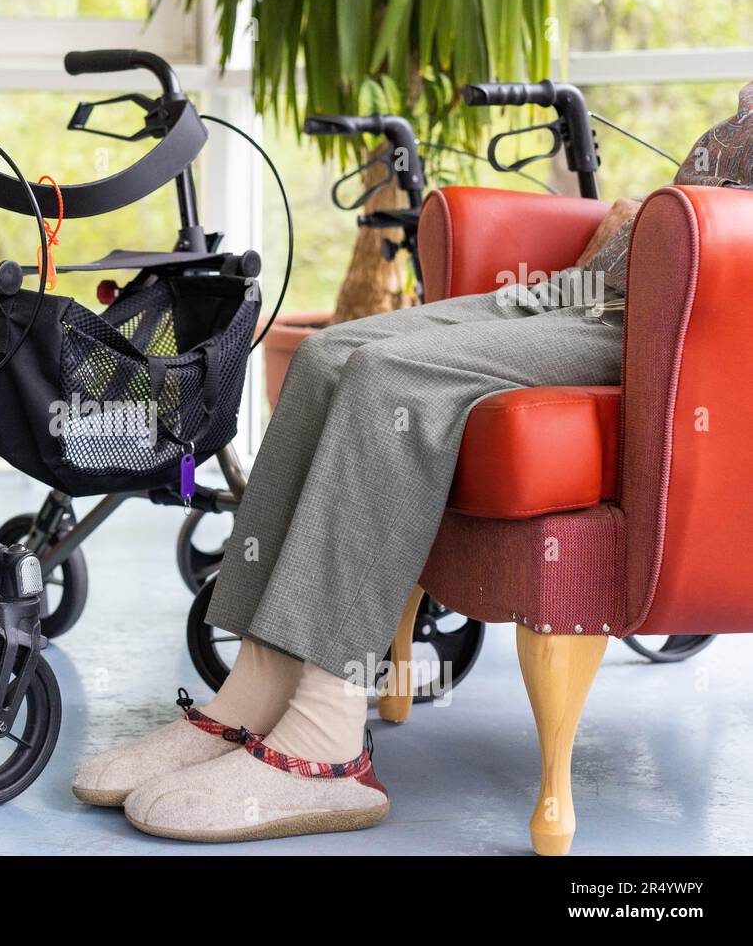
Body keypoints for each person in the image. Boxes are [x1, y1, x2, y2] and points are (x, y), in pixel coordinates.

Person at [74, 82, 753, 842]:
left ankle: (327, 740)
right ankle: (254, 689)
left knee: (386, 378)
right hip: (595, 285)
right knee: (330, 354)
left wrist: (676, 235)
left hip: (674, 318)